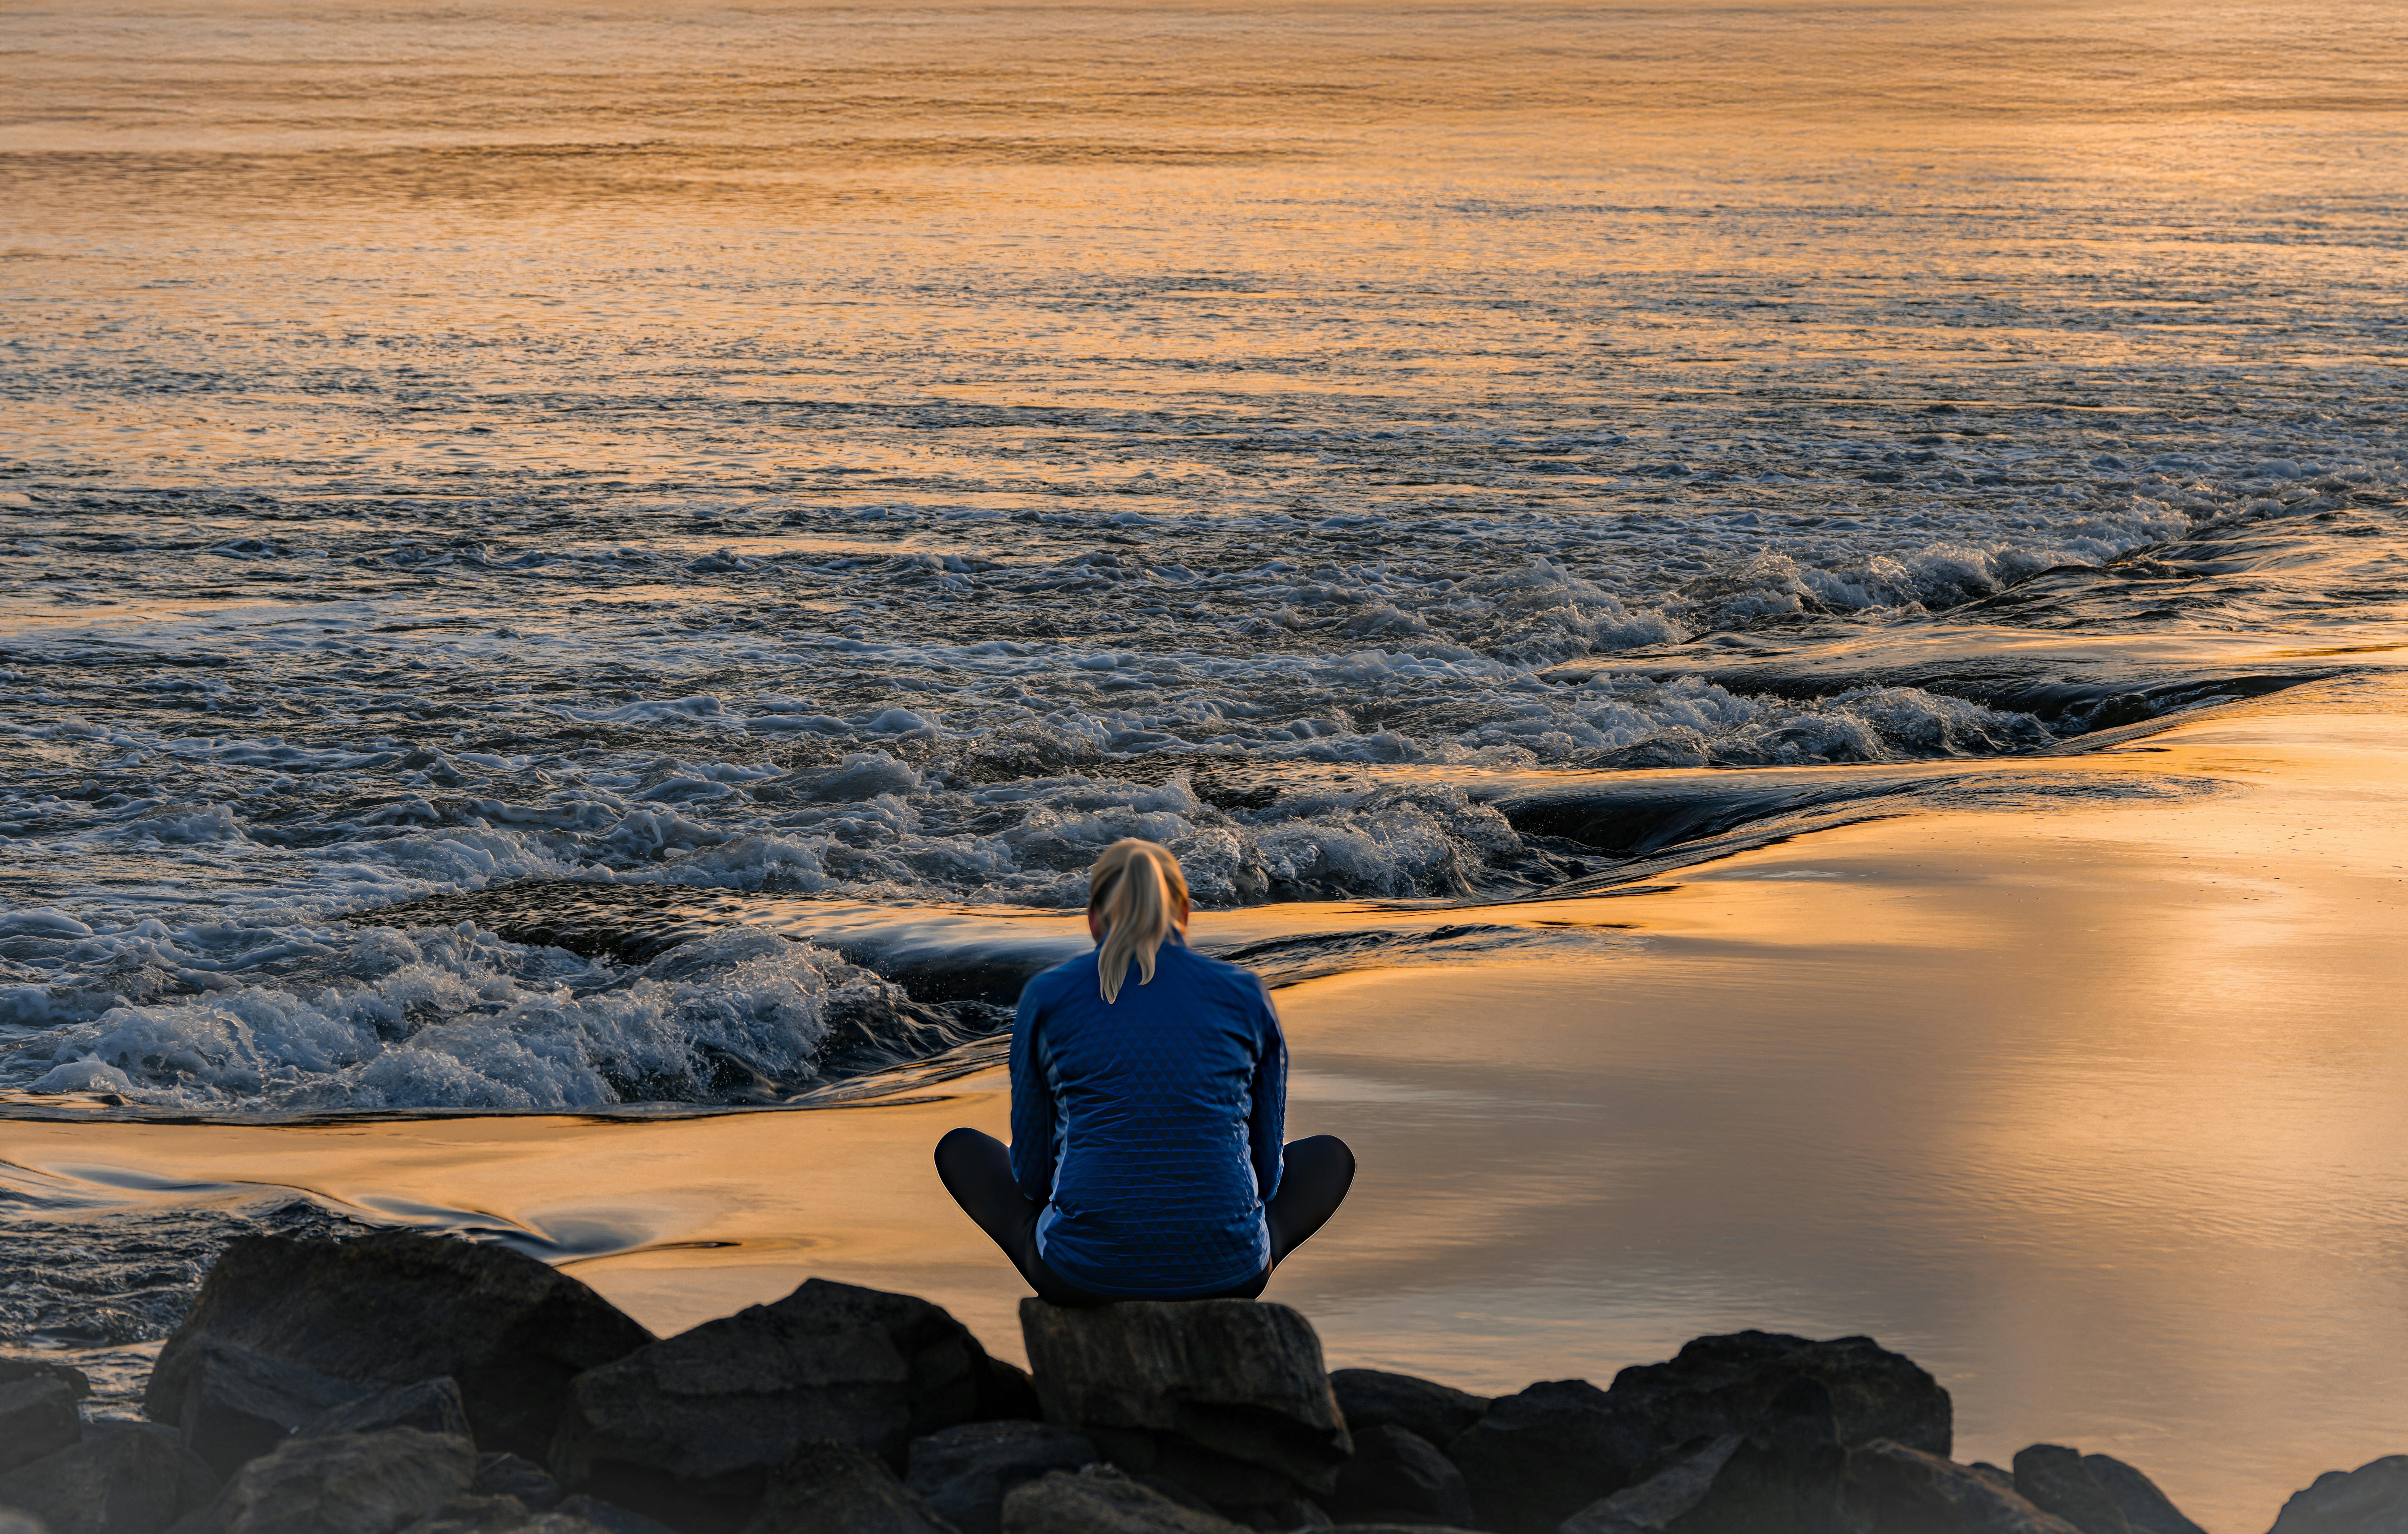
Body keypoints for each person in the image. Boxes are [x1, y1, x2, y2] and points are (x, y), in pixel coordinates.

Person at [934, 838, 1354, 1303]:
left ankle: (1099, 1257)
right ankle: (1222, 1252)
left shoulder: (1048, 994)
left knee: (962, 1149)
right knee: (1330, 1157)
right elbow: (1268, 1176)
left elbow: (1032, 1180)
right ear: (1185, 913)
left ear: (1094, 919)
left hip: (1081, 1276)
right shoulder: (1246, 993)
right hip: (1233, 1273)